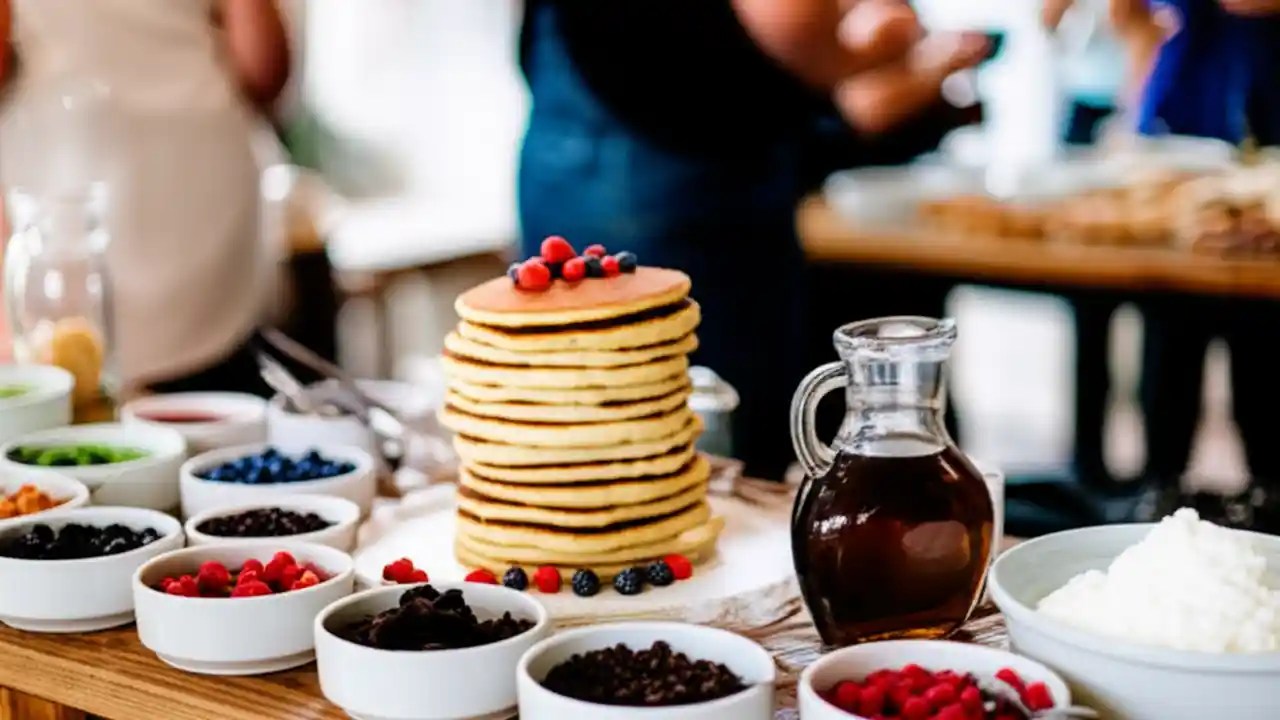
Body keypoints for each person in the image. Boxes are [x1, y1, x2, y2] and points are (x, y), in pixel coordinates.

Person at [517, 0, 986, 479]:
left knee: (583, 436)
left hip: (565, 157)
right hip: (681, 193)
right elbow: (817, 51)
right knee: (713, 448)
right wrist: (906, 50)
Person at [0, 0, 290, 397]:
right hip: (197, 181)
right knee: (214, 420)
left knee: (69, 406)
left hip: (66, 185)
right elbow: (264, 69)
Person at [1120, 0, 1280, 485]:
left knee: (1261, 350)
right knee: (1171, 337)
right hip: (1185, 127)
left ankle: (1266, 497)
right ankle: (1159, 493)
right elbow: (1129, 17)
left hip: (1263, 120)